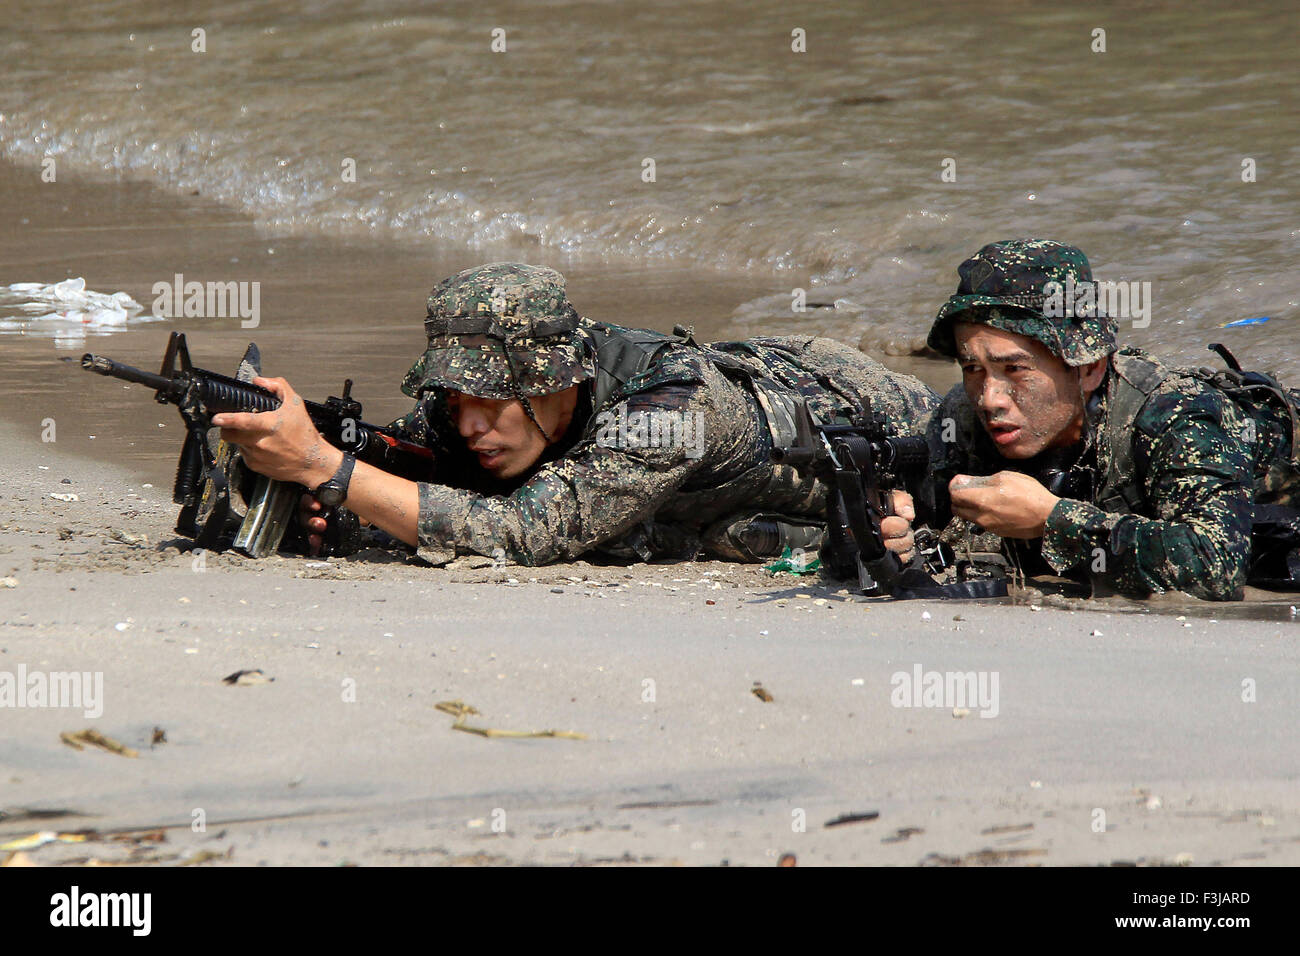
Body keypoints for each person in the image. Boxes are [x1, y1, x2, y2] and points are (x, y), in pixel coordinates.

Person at [211, 262, 938, 567]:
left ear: (556, 382)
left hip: (894, 424)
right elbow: (401, 455)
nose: (469, 426)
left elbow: (526, 532)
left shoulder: (671, 410)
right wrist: (321, 473)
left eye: (491, 402)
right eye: (455, 399)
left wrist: (320, 466)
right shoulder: (479, 413)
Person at [911, 238, 1300, 600]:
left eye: (1014, 368)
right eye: (972, 368)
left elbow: (1216, 567)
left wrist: (1052, 521)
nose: (989, 398)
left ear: (1089, 369)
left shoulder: (1174, 413)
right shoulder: (962, 413)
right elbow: (924, 509)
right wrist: (895, 529)